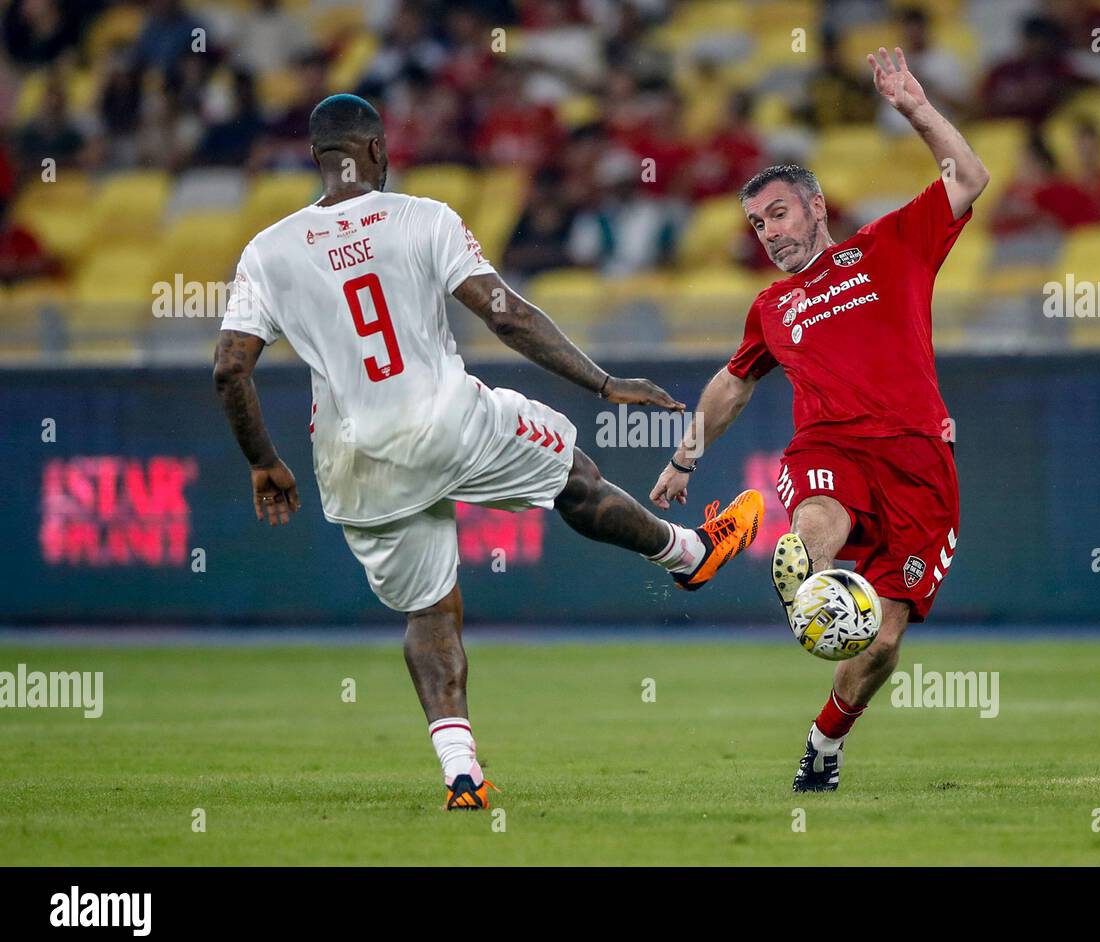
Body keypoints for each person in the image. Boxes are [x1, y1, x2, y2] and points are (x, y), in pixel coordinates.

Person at [213, 94, 763, 811]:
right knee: (575, 478)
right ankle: (689, 555)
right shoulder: (422, 217)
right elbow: (506, 314)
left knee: (432, 612)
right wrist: (601, 382)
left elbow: (229, 369)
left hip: (353, 459)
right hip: (449, 422)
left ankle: (461, 775)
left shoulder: (268, 249)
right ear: (376, 150)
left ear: (319, 157)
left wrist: (264, 461)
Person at [650, 48, 989, 793]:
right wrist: (683, 458)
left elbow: (969, 177)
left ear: (815, 208)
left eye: (777, 213)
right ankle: (804, 567)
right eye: (755, 223)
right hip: (831, 447)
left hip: (920, 461)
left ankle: (825, 742)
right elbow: (732, 387)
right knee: (815, 523)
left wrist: (914, 109)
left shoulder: (892, 245)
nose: (767, 232)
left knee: (884, 641)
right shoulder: (771, 307)